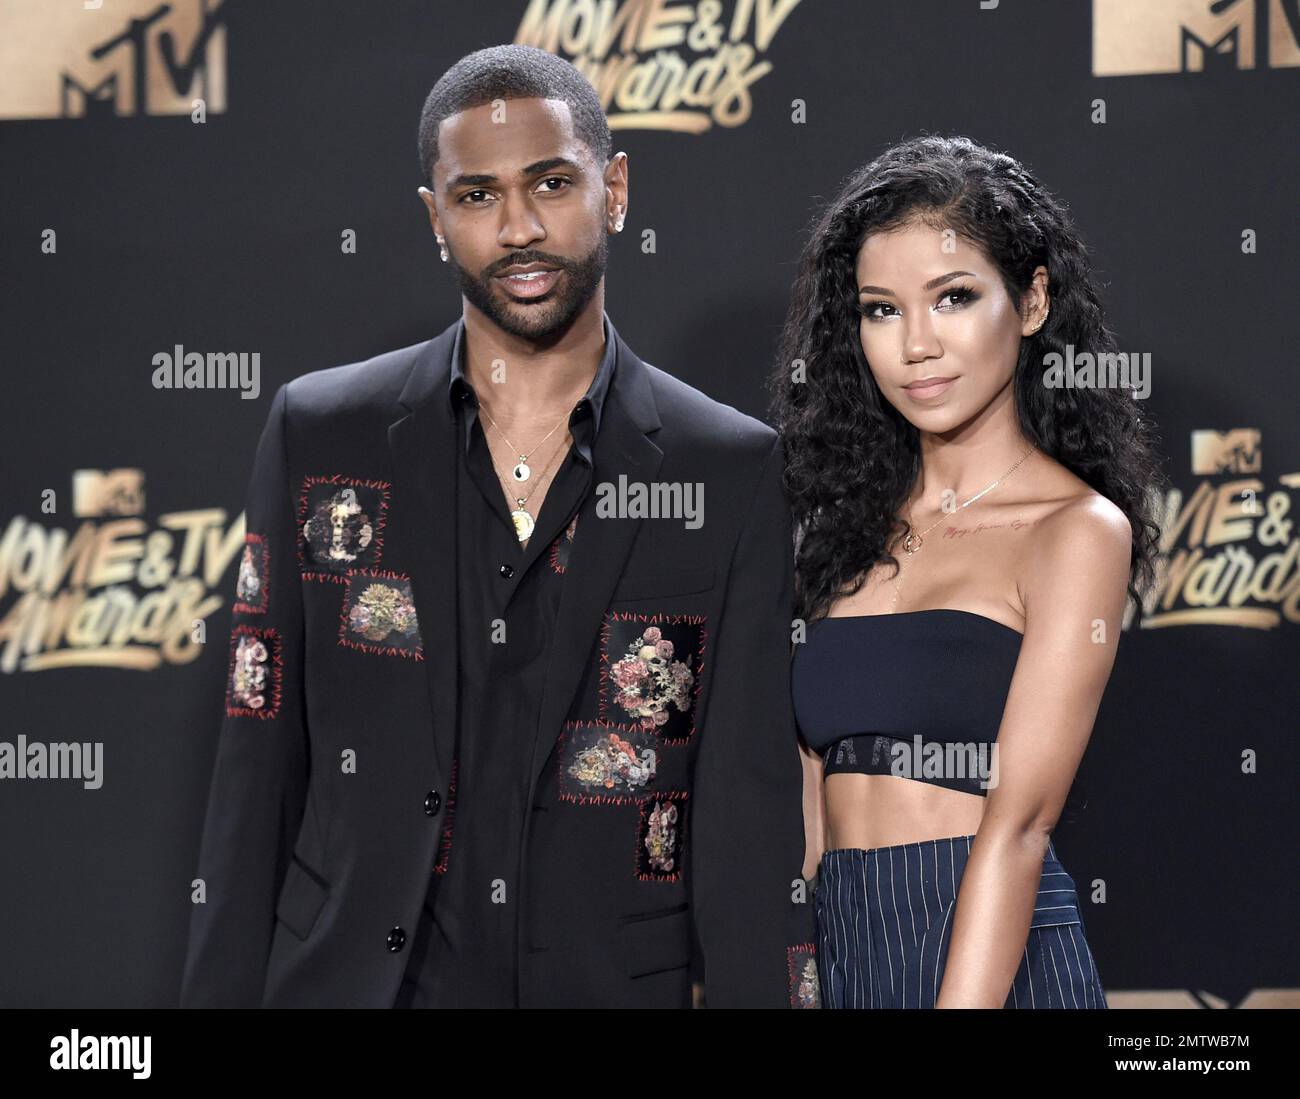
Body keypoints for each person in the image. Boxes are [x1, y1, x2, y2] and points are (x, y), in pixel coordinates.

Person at [180, 44, 816, 1009]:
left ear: (616, 189)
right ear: (436, 219)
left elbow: (747, 825)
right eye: (477, 197)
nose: (519, 227)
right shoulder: (323, 434)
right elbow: (254, 775)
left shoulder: (726, 468)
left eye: (551, 183)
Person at [772, 134, 1165, 1008]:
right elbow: (805, 806)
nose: (916, 344)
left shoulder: (1074, 530)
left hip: (991, 947)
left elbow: (1019, 825)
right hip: (841, 937)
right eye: (881, 309)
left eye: (953, 297)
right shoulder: (834, 528)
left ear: (1030, 302)